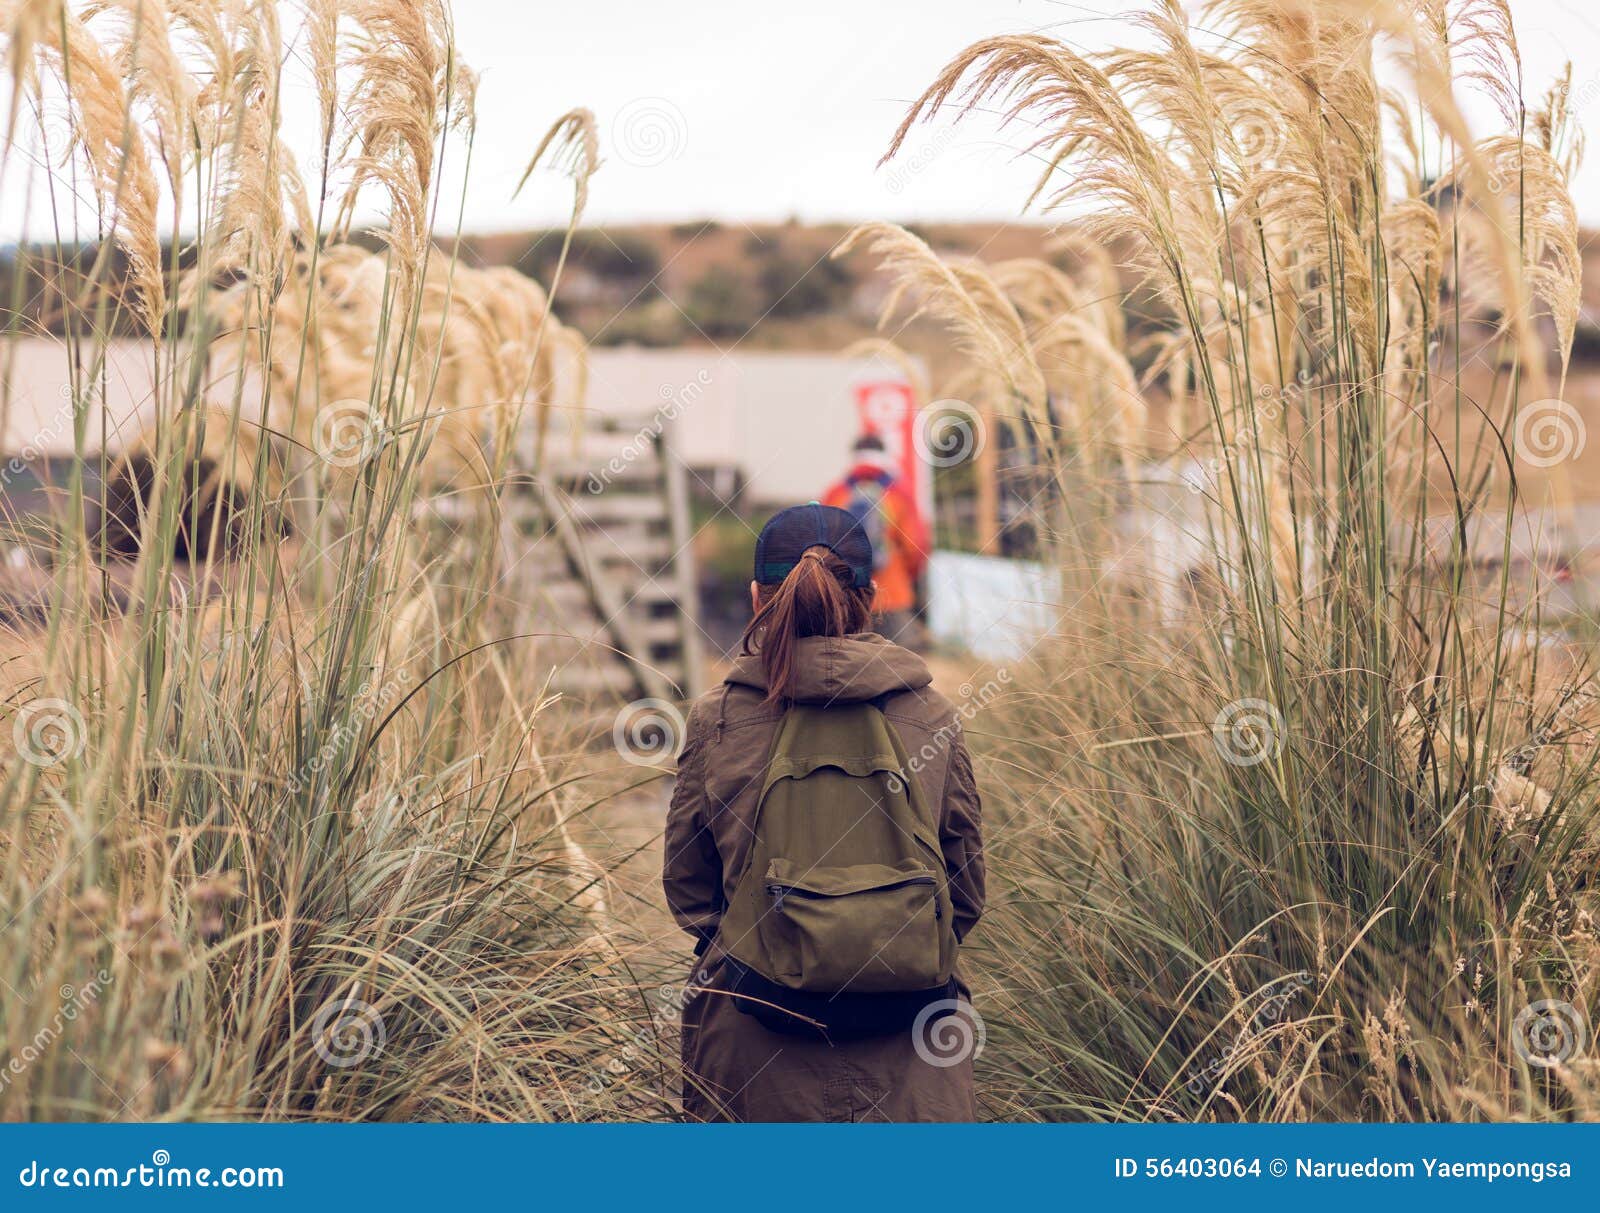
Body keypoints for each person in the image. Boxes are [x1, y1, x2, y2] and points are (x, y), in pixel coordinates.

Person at [662, 502, 984, 1122]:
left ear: (759, 598)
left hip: (754, 1046)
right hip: (915, 1050)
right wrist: (887, 951)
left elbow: (689, 894)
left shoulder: (718, 719)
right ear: (872, 600)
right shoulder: (932, 717)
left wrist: (778, 949)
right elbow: (964, 894)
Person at [822, 432, 929, 646]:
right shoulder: (899, 494)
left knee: (851, 665)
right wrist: (906, 575)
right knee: (898, 667)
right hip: (893, 595)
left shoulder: (836, 494)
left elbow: (821, 546)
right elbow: (915, 547)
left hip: (848, 598)